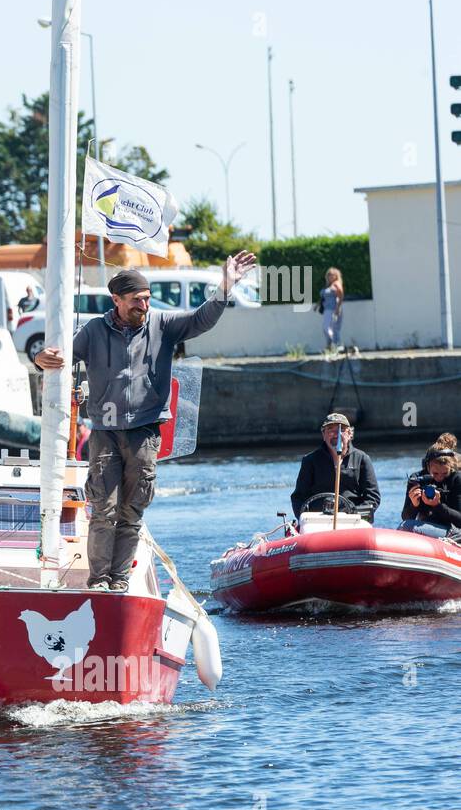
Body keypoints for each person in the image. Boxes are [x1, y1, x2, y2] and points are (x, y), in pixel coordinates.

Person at [35, 253, 256, 591]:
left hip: (144, 433)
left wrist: (225, 286)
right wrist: (41, 359)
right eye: (137, 299)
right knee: (103, 509)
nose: (144, 304)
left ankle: (119, 578)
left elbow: (201, 320)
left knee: (132, 510)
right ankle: (99, 580)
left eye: (147, 298)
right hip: (104, 432)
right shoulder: (93, 330)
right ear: (117, 300)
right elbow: (62, 355)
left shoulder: (162, 324)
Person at [290, 412, 380, 521]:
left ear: (349, 434)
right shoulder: (310, 460)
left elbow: (372, 497)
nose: (336, 434)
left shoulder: (362, 459)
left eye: (341, 430)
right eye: (330, 430)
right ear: (323, 435)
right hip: (317, 521)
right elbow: (298, 497)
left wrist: (356, 515)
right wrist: (305, 518)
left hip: (352, 521)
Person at [399, 433, 461, 538]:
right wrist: (414, 505)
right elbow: (406, 517)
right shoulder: (417, 480)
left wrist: (437, 506)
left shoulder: (456, 479)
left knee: (407, 527)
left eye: (445, 473)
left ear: (451, 468)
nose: (440, 478)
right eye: (435, 473)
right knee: (405, 525)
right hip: (427, 525)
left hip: (453, 530)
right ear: (428, 467)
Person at [319, 266, 344, 352]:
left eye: (332, 275)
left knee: (331, 328)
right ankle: (330, 345)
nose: (330, 276)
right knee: (327, 328)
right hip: (327, 309)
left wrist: (338, 308)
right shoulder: (328, 285)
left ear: (336, 275)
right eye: (328, 275)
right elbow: (324, 297)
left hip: (333, 309)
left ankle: (336, 344)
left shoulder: (336, 284)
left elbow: (340, 295)